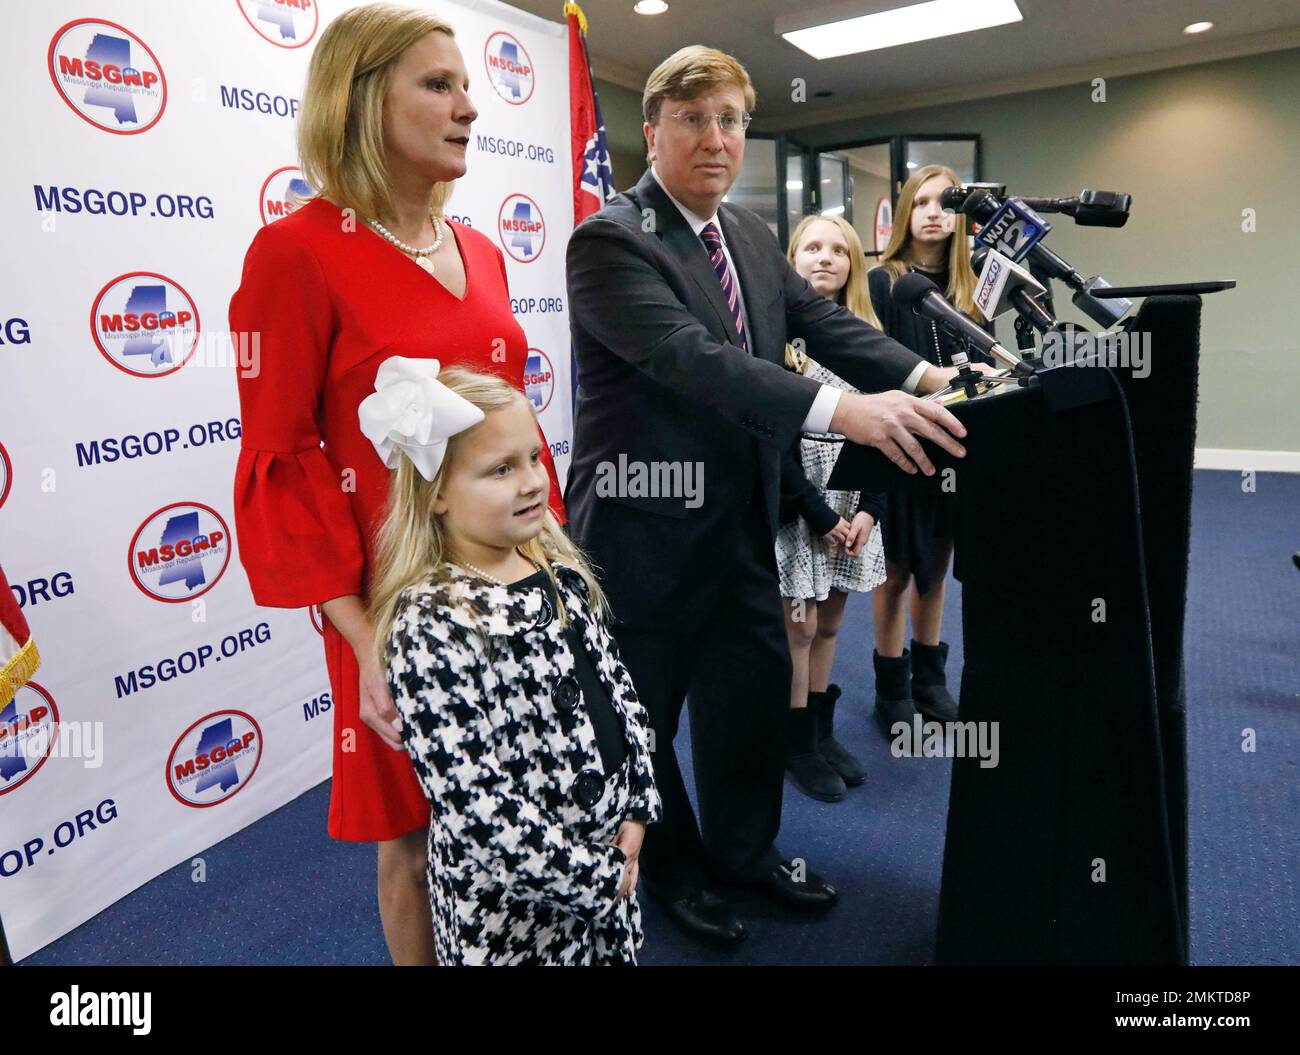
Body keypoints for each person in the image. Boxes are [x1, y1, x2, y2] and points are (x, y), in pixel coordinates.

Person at [564, 45, 987, 947]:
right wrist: (848, 413)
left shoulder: (751, 235)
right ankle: (673, 875)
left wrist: (924, 370)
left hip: (745, 527)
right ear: (654, 131)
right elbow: (695, 360)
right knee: (645, 727)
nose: (716, 139)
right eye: (693, 120)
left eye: (730, 121)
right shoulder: (610, 238)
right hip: (642, 536)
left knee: (749, 709)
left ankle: (746, 858)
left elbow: (824, 321)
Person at [228, 3, 567, 966]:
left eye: (468, 85)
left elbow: (513, 431)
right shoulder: (295, 254)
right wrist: (366, 637)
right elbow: (280, 459)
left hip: (514, 582)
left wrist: (552, 565)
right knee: (413, 838)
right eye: (438, 84)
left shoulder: (488, 254)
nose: (469, 106)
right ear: (362, 99)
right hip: (390, 608)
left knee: (519, 800)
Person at [364, 361, 661, 966]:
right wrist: (595, 878)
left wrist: (637, 802)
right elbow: (474, 800)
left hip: (609, 852)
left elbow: (617, 693)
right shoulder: (430, 622)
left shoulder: (558, 570)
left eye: (533, 458)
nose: (531, 482)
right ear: (436, 493)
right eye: (500, 469)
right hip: (509, 912)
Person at [866, 164, 992, 735]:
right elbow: (869, 364)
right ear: (905, 214)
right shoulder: (884, 282)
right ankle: (890, 686)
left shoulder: (972, 287)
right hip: (899, 440)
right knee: (893, 572)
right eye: (922, 203)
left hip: (955, 446)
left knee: (936, 568)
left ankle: (930, 679)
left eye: (946, 203)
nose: (935, 213)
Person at [777, 215, 885, 802]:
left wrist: (869, 510)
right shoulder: (774, 340)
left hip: (853, 502)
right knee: (801, 624)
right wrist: (820, 515)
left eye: (839, 250)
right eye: (812, 247)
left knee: (833, 623)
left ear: (853, 265)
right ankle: (795, 741)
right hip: (800, 504)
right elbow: (768, 441)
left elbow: (891, 435)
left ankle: (819, 729)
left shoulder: (867, 338)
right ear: (790, 260)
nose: (825, 258)